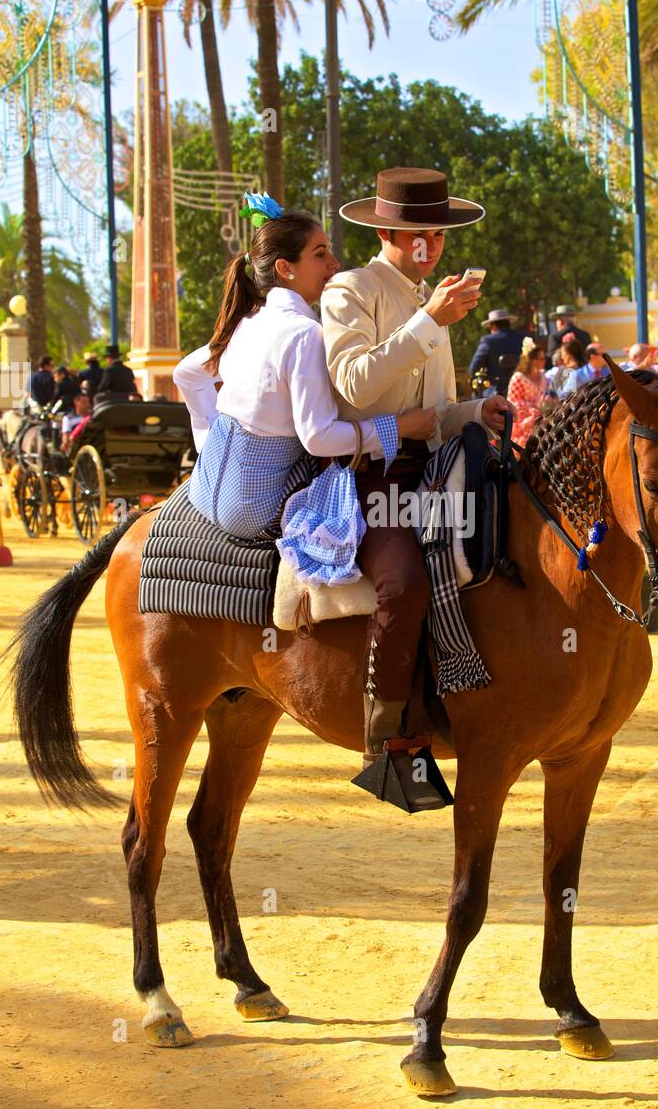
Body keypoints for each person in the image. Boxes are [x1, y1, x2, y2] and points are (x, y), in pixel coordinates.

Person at [321, 166, 512, 807]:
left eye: (437, 233)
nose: (428, 244)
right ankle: (386, 740)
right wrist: (430, 318)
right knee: (404, 581)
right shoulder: (352, 289)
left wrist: (474, 412)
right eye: (415, 234)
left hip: (435, 466)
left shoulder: (436, 300)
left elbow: (437, 407)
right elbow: (354, 385)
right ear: (384, 231)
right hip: (369, 475)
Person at [173, 194, 429, 545]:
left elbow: (185, 375)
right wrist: (399, 426)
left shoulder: (246, 323)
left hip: (201, 489)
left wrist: (208, 437)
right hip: (252, 511)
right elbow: (318, 437)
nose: (335, 264)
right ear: (284, 268)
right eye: (320, 254)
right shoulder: (306, 334)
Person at [467, 308, 524, 396]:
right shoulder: (522, 338)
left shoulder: (488, 341)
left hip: (496, 392)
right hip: (521, 389)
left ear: (493, 326)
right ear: (508, 323)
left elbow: (473, 368)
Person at [507, 337, 551, 447]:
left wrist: (548, 403)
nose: (544, 361)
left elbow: (545, 395)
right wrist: (535, 409)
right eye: (541, 359)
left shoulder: (543, 376)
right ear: (532, 360)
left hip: (542, 418)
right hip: (523, 422)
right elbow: (514, 403)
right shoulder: (518, 378)